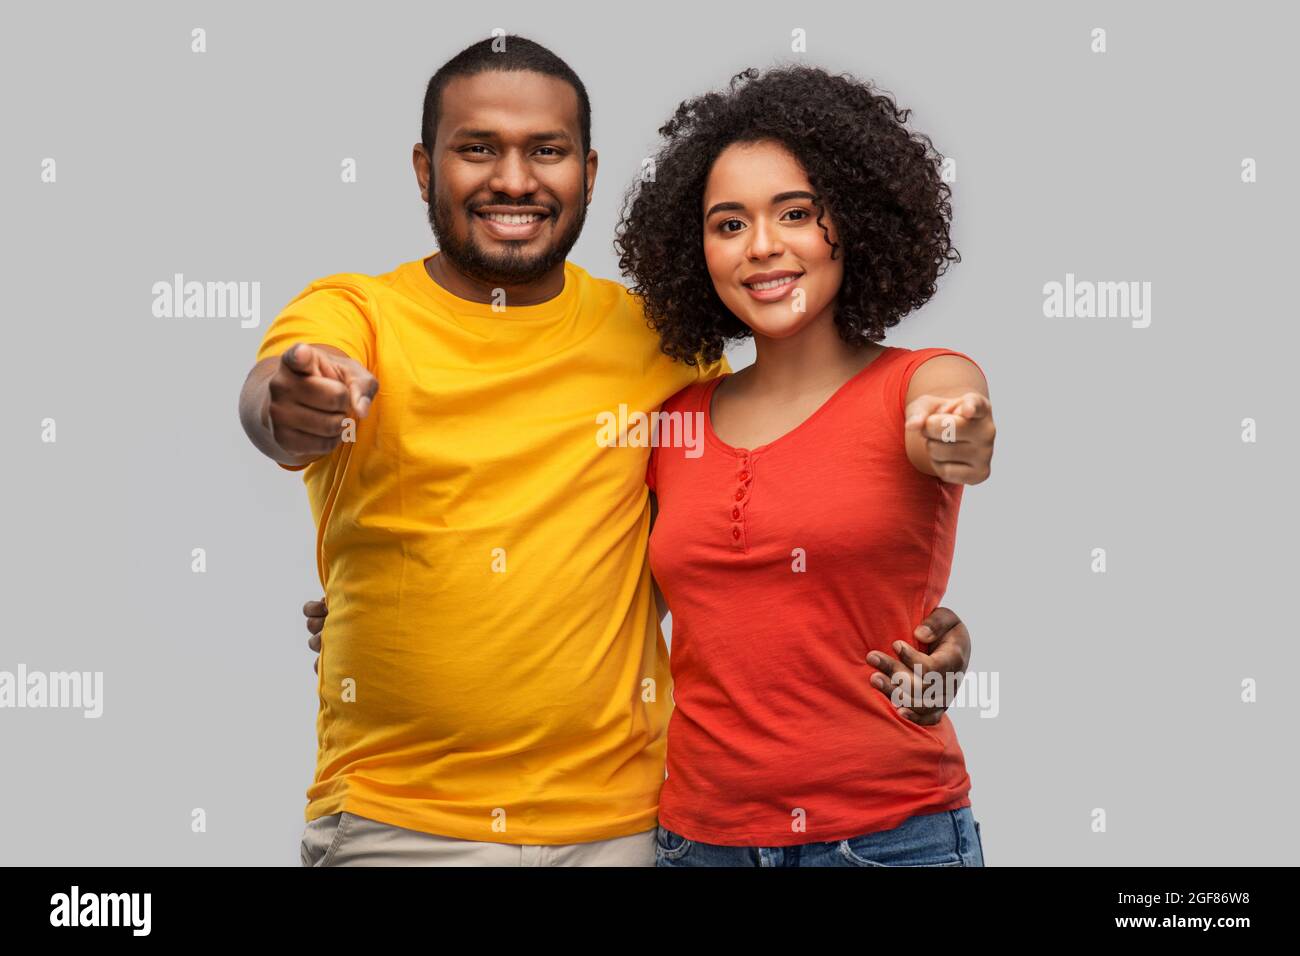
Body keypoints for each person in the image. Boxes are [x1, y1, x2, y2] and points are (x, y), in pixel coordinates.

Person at [246, 35, 977, 867]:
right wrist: (297, 406)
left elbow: (759, 534)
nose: (514, 180)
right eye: (477, 149)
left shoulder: (660, 345)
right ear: (424, 168)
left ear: (588, 173)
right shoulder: (354, 315)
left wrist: (918, 634)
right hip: (396, 823)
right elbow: (274, 399)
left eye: (546, 151)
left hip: (628, 828)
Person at [615, 65, 996, 866]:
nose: (762, 247)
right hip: (697, 842)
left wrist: (955, 432)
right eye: (728, 224)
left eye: (795, 213)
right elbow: (608, 612)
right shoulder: (673, 423)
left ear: (854, 222)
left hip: (892, 838)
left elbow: (956, 424)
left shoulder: (917, 383)